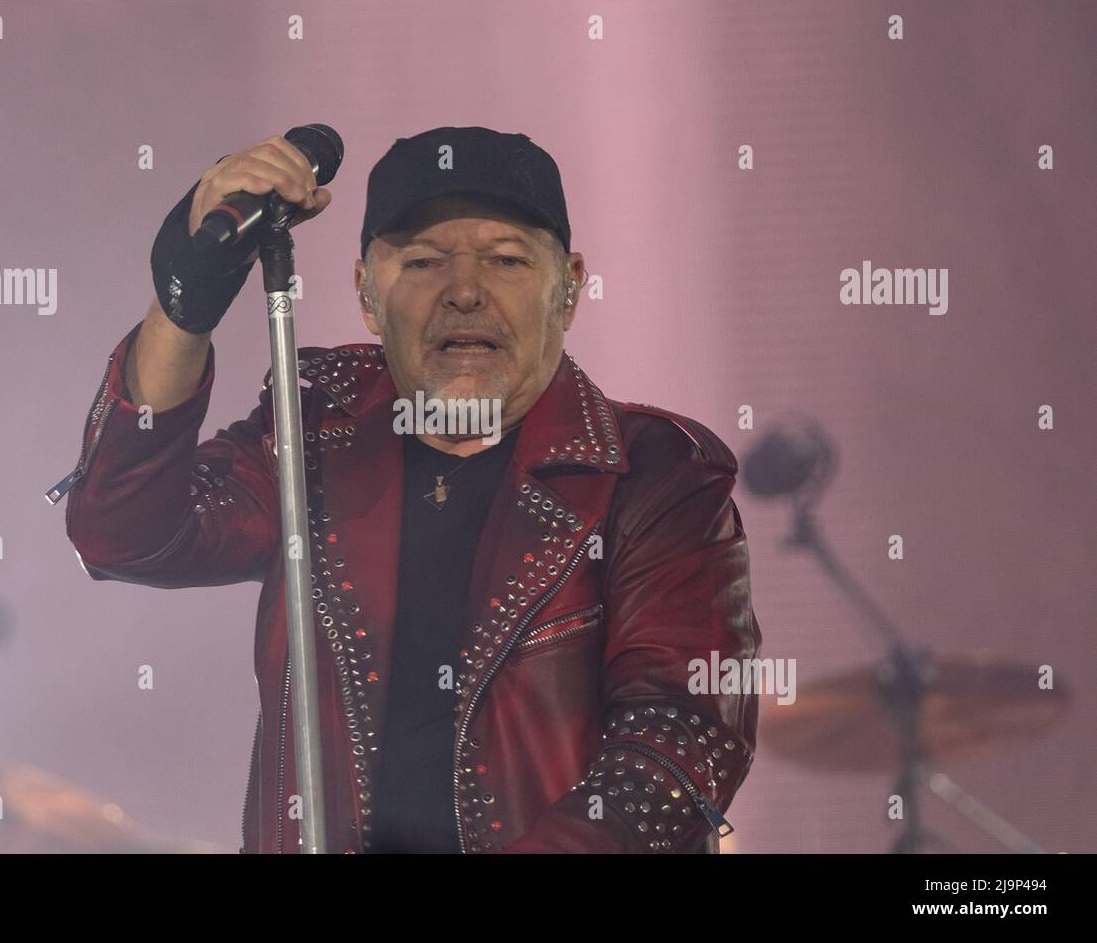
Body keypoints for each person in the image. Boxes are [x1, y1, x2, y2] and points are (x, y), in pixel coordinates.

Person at [50, 126, 762, 853]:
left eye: (506, 259)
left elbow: (678, 742)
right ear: (365, 293)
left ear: (570, 287)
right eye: (422, 261)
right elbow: (125, 535)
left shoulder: (653, 473)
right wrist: (183, 307)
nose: (462, 291)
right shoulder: (314, 438)